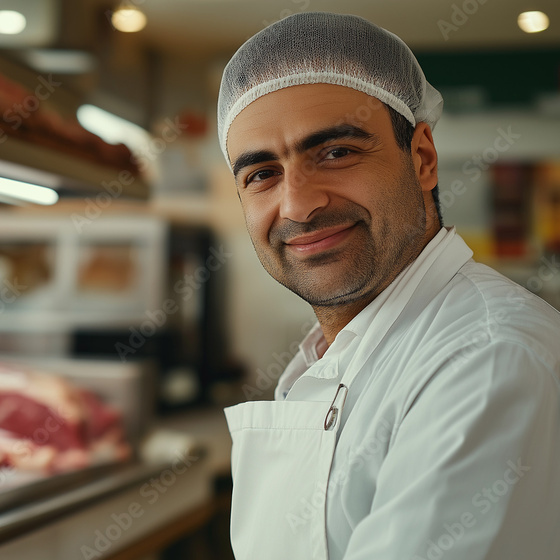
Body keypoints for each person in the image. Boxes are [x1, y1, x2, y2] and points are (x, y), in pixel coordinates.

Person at [217, 12, 560, 560]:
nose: (298, 204)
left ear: (422, 158)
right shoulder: (342, 353)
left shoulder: (487, 358)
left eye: (337, 152)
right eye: (261, 174)